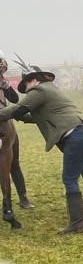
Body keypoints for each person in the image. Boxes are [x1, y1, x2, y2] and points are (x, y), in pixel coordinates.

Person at [0, 66, 83, 233]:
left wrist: (11, 114)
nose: (26, 91)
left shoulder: (39, 90)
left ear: (33, 80)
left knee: (69, 179)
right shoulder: (51, 90)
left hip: (77, 136)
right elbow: (38, 117)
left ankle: (77, 223)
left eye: (25, 85)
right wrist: (20, 117)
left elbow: (17, 108)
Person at [0, 52, 33, 209]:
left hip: (7, 123)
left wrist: (5, 86)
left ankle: (23, 197)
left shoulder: (2, 80)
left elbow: (14, 99)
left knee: (15, 162)